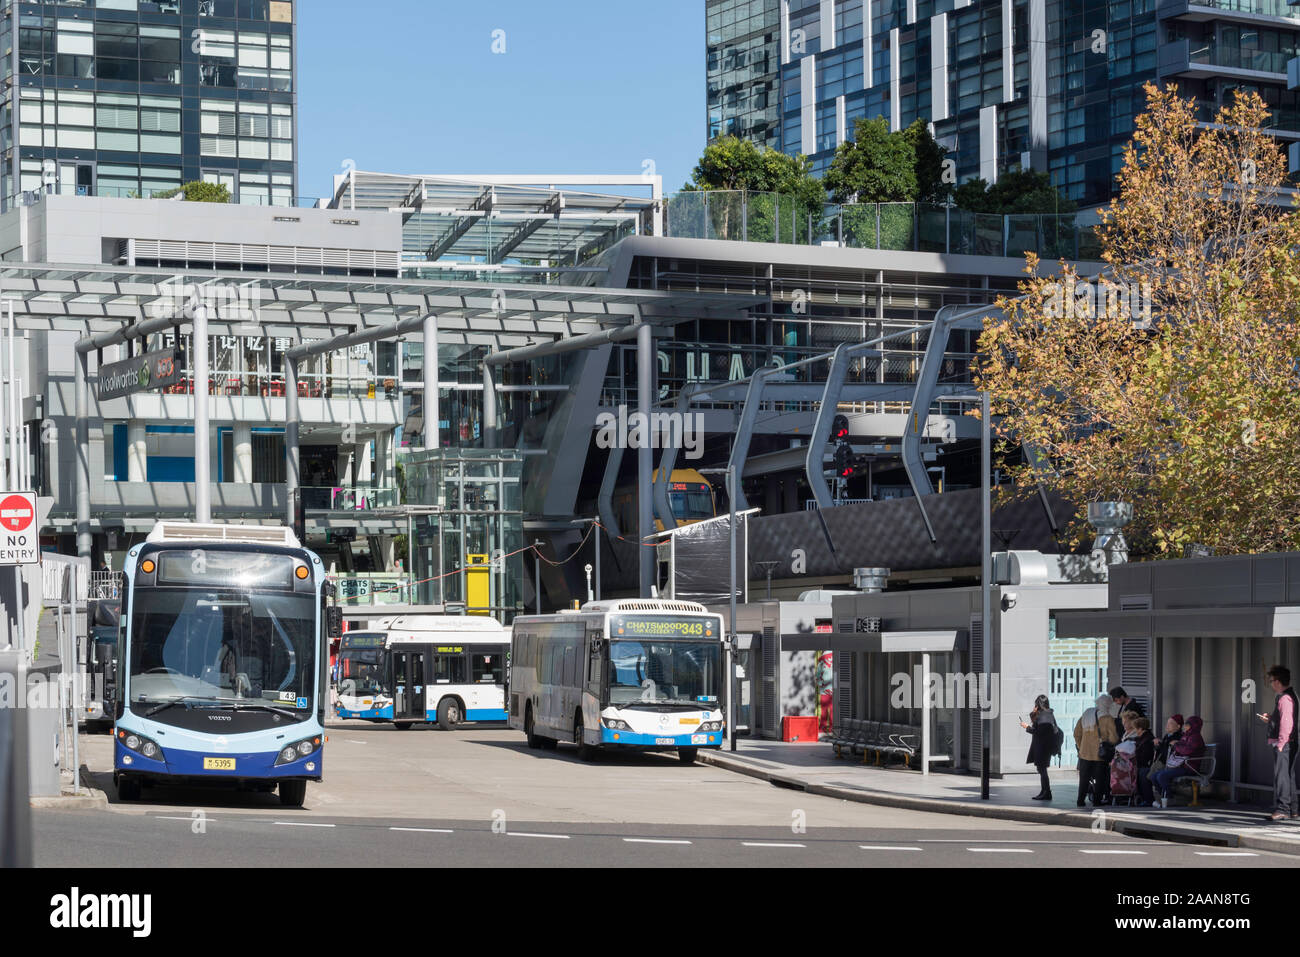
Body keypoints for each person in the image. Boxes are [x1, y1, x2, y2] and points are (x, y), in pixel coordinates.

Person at [1257, 665, 1298, 822]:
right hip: (1290, 742)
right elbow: (1283, 720)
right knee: (1288, 776)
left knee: (1281, 777)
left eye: (1272, 680)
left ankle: (1283, 809)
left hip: (1284, 744)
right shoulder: (1289, 696)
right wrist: (1271, 719)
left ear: (1278, 681)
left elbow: (1287, 723)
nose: (1271, 683)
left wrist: (1281, 744)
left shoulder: (1284, 698)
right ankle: (1293, 810)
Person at [1074, 694, 1120, 807]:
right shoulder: (1108, 718)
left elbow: (1076, 733)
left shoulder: (1087, 714)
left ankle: (1080, 801)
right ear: (1108, 705)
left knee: (1083, 779)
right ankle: (1097, 801)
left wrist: (1082, 747)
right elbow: (1114, 738)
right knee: (1100, 779)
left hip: (1084, 754)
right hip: (1100, 755)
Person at [1150, 716, 1205, 807]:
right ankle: (1164, 797)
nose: (1185, 726)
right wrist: (1176, 744)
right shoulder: (1186, 735)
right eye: (1186, 724)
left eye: (1188, 725)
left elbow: (1187, 751)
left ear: (1193, 726)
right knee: (1154, 776)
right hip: (1181, 765)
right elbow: (1182, 747)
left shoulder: (1195, 737)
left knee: (1161, 776)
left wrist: (1176, 745)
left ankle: (1169, 798)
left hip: (1189, 767)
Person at [1020, 694, 1059, 801]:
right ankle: (1044, 791)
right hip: (1044, 747)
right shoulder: (1048, 714)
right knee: (1041, 769)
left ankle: (1047, 792)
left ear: (1039, 704)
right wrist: (1033, 713)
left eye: (1036, 704)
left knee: (1042, 770)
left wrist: (1027, 727)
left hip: (1042, 747)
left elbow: (1037, 731)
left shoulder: (1044, 716)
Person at [1110, 711, 1141, 803]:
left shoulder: (1135, 734)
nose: (1123, 723)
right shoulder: (1126, 734)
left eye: (1125, 721)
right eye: (1123, 721)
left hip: (1129, 762)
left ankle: (1126, 792)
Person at [1132, 716, 1157, 806]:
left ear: (1141, 729)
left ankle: (1148, 800)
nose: (1135, 731)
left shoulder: (1148, 739)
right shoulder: (1140, 738)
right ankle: (1141, 798)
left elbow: (1146, 756)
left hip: (1147, 765)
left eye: (1136, 729)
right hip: (1140, 764)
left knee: (1142, 773)